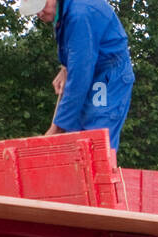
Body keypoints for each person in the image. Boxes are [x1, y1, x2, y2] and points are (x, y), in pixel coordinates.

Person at [23, 0, 135, 154]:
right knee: (74, 135)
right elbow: (76, 49)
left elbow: (79, 79)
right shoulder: (63, 10)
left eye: (40, 7)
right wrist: (65, 68)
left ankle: (101, 176)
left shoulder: (80, 14)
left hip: (107, 75)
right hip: (90, 66)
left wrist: (55, 128)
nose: (39, 14)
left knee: (96, 138)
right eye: (35, 10)